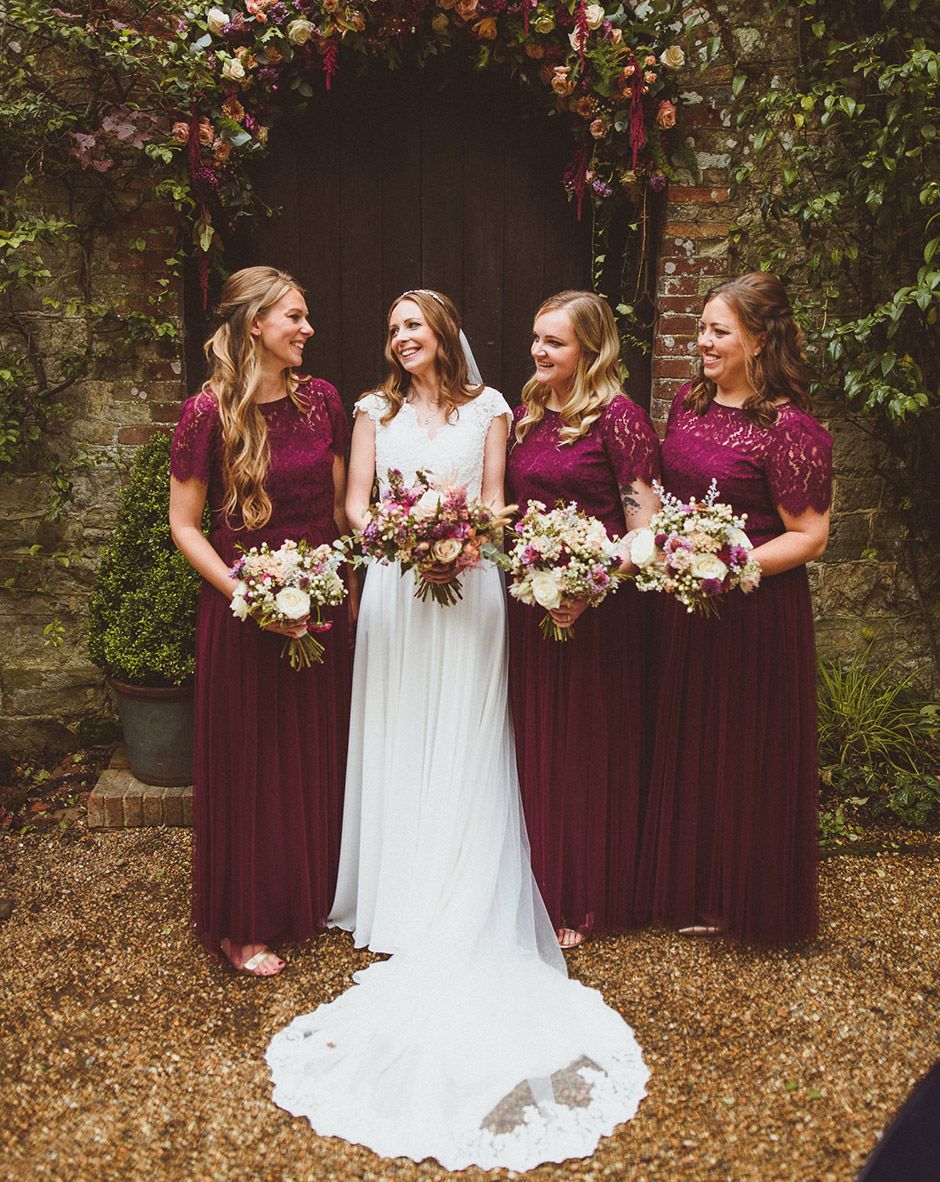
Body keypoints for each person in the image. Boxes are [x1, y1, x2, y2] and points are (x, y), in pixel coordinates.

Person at [265, 290, 649, 1171]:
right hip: (400, 586)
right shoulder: (369, 411)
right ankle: (394, 892)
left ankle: (459, 880)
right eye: (391, 326)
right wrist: (402, 537)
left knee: (472, 729)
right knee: (398, 725)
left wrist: (461, 537)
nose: (401, 338)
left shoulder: (495, 409)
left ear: (443, 333)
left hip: (472, 584)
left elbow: (497, 501)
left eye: (414, 325)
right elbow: (355, 507)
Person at [635, 272, 832, 944]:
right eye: (702, 329)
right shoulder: (688, 407)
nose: (704, 342)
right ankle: (692, 886)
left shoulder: (789, 430)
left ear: (757, 340)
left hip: (754, 616)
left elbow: (810, 535)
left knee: (742, 751)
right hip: (686, 608)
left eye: (719, 330)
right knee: (691, 742)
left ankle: (743, 895)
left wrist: (730, 561)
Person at [169, 265, 352, 977]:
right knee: (251, 765)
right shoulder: (205, 413)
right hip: (243, 611)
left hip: (322, 605)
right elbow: (185, 527)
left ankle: (303, 900)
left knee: (312, 755)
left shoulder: (324, 401)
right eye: (294, 318)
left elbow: (336, 512)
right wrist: (250, 593)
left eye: (306, 319)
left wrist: (349, 588)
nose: (308, 330)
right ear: (256, 327)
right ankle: (240, 922)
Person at [506, 290, 661, 948]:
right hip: (532, 609)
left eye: (556, 342)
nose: (539, 351)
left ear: (589, 351)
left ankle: (587, 894)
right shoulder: (527, 413)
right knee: (539, 747)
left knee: (588, 752)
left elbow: (646, 531)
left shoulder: (620, 420)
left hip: (600, 617)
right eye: (537, 338)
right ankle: (538, 888)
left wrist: (589, 586)